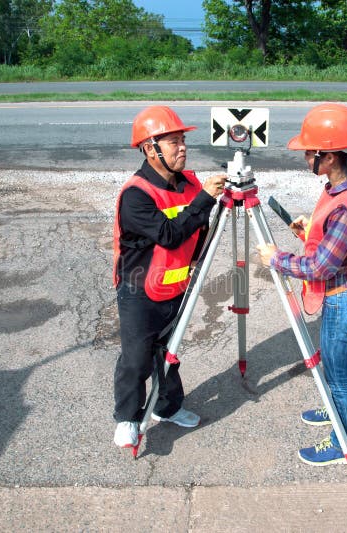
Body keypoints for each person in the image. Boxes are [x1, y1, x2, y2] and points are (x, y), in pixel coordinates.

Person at [256, 103, 347, 466]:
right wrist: (310, 230)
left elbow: (320, 266)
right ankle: (336, 409)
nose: (305, 158)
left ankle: (341, 443)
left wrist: (276, 260)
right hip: (344, 295)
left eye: (309, 153)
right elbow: (336, 246)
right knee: (337, 368)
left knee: (342, 378)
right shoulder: (339, 190)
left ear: (328, 156)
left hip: (345, 301)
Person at [112, 105, 227, 448]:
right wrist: (206, 198)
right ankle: (128, 418)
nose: (182, 147)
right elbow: (170, 234)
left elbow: (201, 227)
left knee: (169, 353)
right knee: (137, 357)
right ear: (150, 149)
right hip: (139, 290)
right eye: (173, 141)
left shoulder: (189, 184)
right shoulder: (136, 195)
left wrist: (211, 197)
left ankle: (168, 407)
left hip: (174, 284)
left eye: (183, 140)